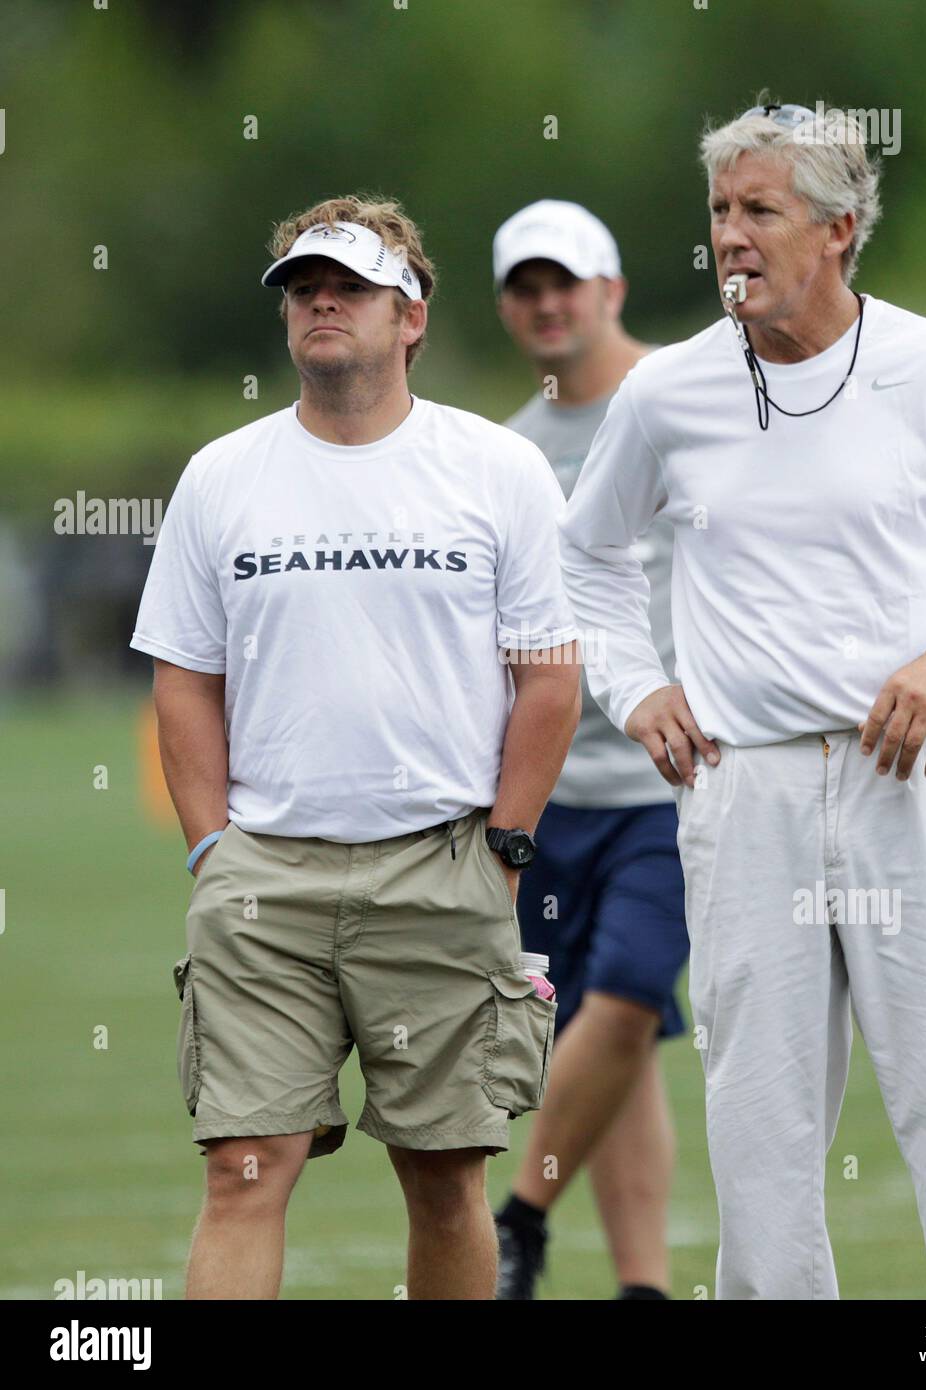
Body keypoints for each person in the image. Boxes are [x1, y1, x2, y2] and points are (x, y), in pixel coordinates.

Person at [558, 102, 926, 1300]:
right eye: (720, 212)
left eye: (760, 212)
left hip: (920, 783)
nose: (730, 238)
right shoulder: (668, 392)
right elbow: (582, 556)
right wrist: (636, 685)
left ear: (841, 229)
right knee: (761, 1129)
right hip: (748, 789)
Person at [130, 194, 581, 1300]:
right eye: (300, 287)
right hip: (262, 879)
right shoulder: (221, 476)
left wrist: (504, 846)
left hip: (443, 860)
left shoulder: (496, 469)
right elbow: (185, 679)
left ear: (411, 313)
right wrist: (212, 852)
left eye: (349, 285)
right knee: (244, 1167)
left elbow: (551, 675)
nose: (319, 301)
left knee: (443, 1177)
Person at [490, 200, 688, 1300]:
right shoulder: (509, 448)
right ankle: (644, 1287)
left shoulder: (682, 403)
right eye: (525, 286)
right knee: (626, 1043)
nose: (548, 303)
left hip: (672, 777)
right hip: (554, 792)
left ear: (611, 288)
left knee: (623, 998)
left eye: (566, 281)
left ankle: (520, 1211)